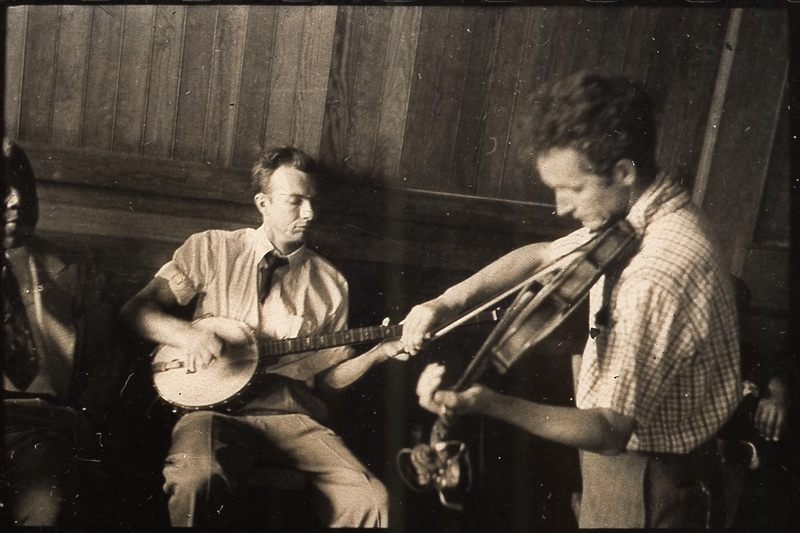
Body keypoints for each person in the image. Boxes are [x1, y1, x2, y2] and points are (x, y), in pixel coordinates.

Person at [391, 73, 742, 528]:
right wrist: (443, 303)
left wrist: (488, 403)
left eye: (573, 189)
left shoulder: (655, 271)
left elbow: (610, 429)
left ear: (624, 171)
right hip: (624, 463)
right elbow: (540, 256)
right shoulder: (640, 213)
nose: (559, 207)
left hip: (649, 480)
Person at [120, 146, 397, 527]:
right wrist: (189, 337)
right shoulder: (211, 249)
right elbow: (137, 313)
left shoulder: (331, 284)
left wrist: (379, 353)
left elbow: (329, 382)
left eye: (313, 202)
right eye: (295, 201)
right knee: (197, 477)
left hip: (292, 414)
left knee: (370, 497)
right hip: (211, 410)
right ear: (263, 203)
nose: (309, 214)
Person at [2, 138, 123, 526]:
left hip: (41, 426)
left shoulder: (75, 271)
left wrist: (82, 417)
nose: (17, 201)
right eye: (3, 187)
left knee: (44, 507)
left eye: (24, 186)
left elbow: (109, 358)